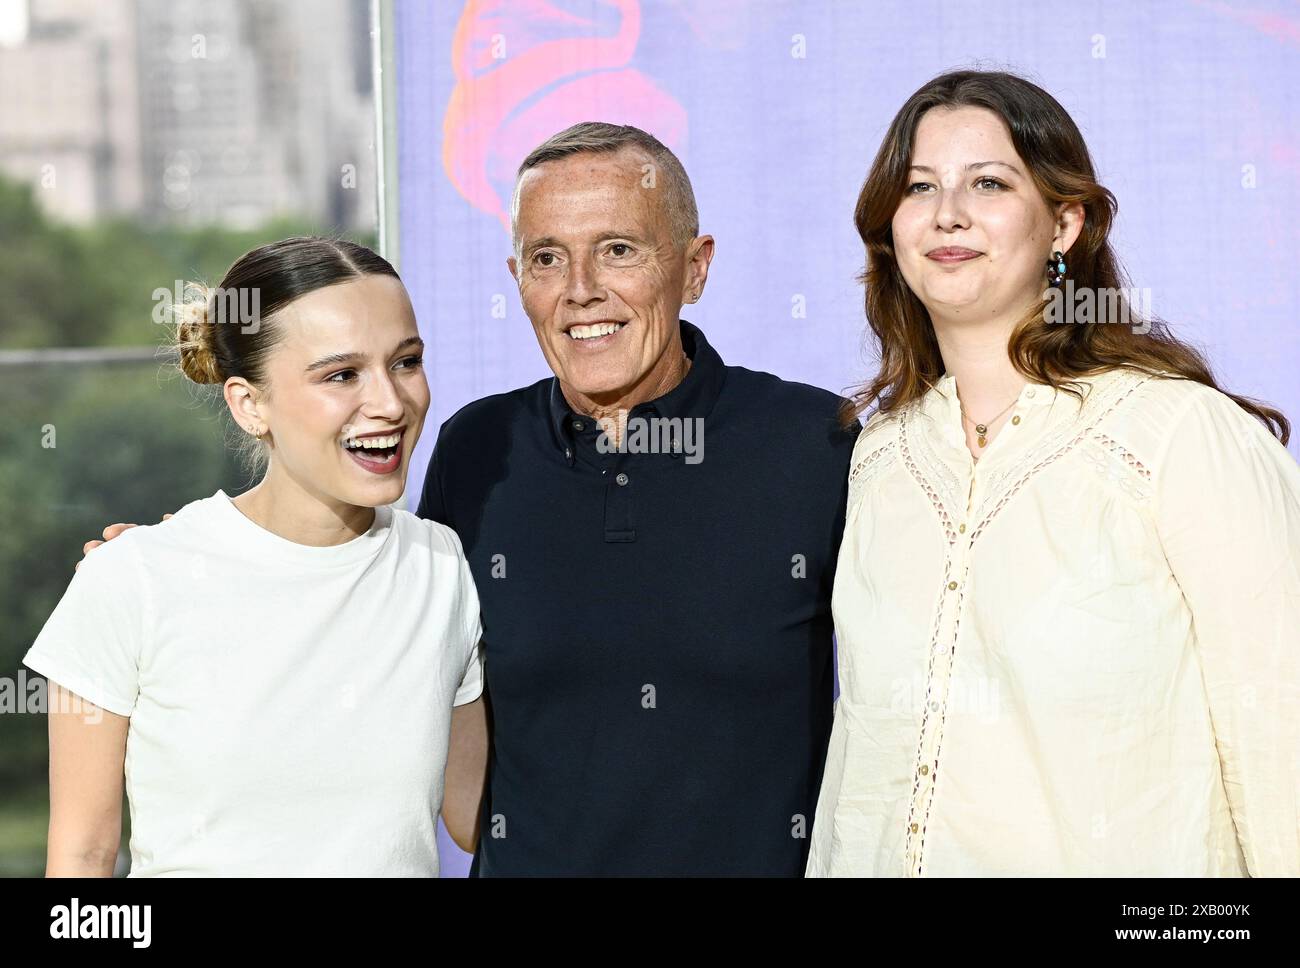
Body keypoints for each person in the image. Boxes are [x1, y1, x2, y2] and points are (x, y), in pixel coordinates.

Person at [807, 69, 1300, 877]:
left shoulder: (1177, 435)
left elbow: (1283, 732)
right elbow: (862, 766)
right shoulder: (882, 456)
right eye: (919, 186)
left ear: (1065, 224)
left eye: (989, 183)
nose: (948, 213)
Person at [418, 123, 858, 875]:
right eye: (547, 258)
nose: (580, 289)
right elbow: (385, 634)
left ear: (695, 268)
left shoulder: (815, 442)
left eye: (619, 249)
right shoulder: (476, 449)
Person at [33, 237, 485, 876]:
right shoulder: (131, 580)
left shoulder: (441, 566)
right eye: (341, 374)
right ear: (250, 405)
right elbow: (82, 858)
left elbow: (480, 817)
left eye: (406, 362)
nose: (390, 402)